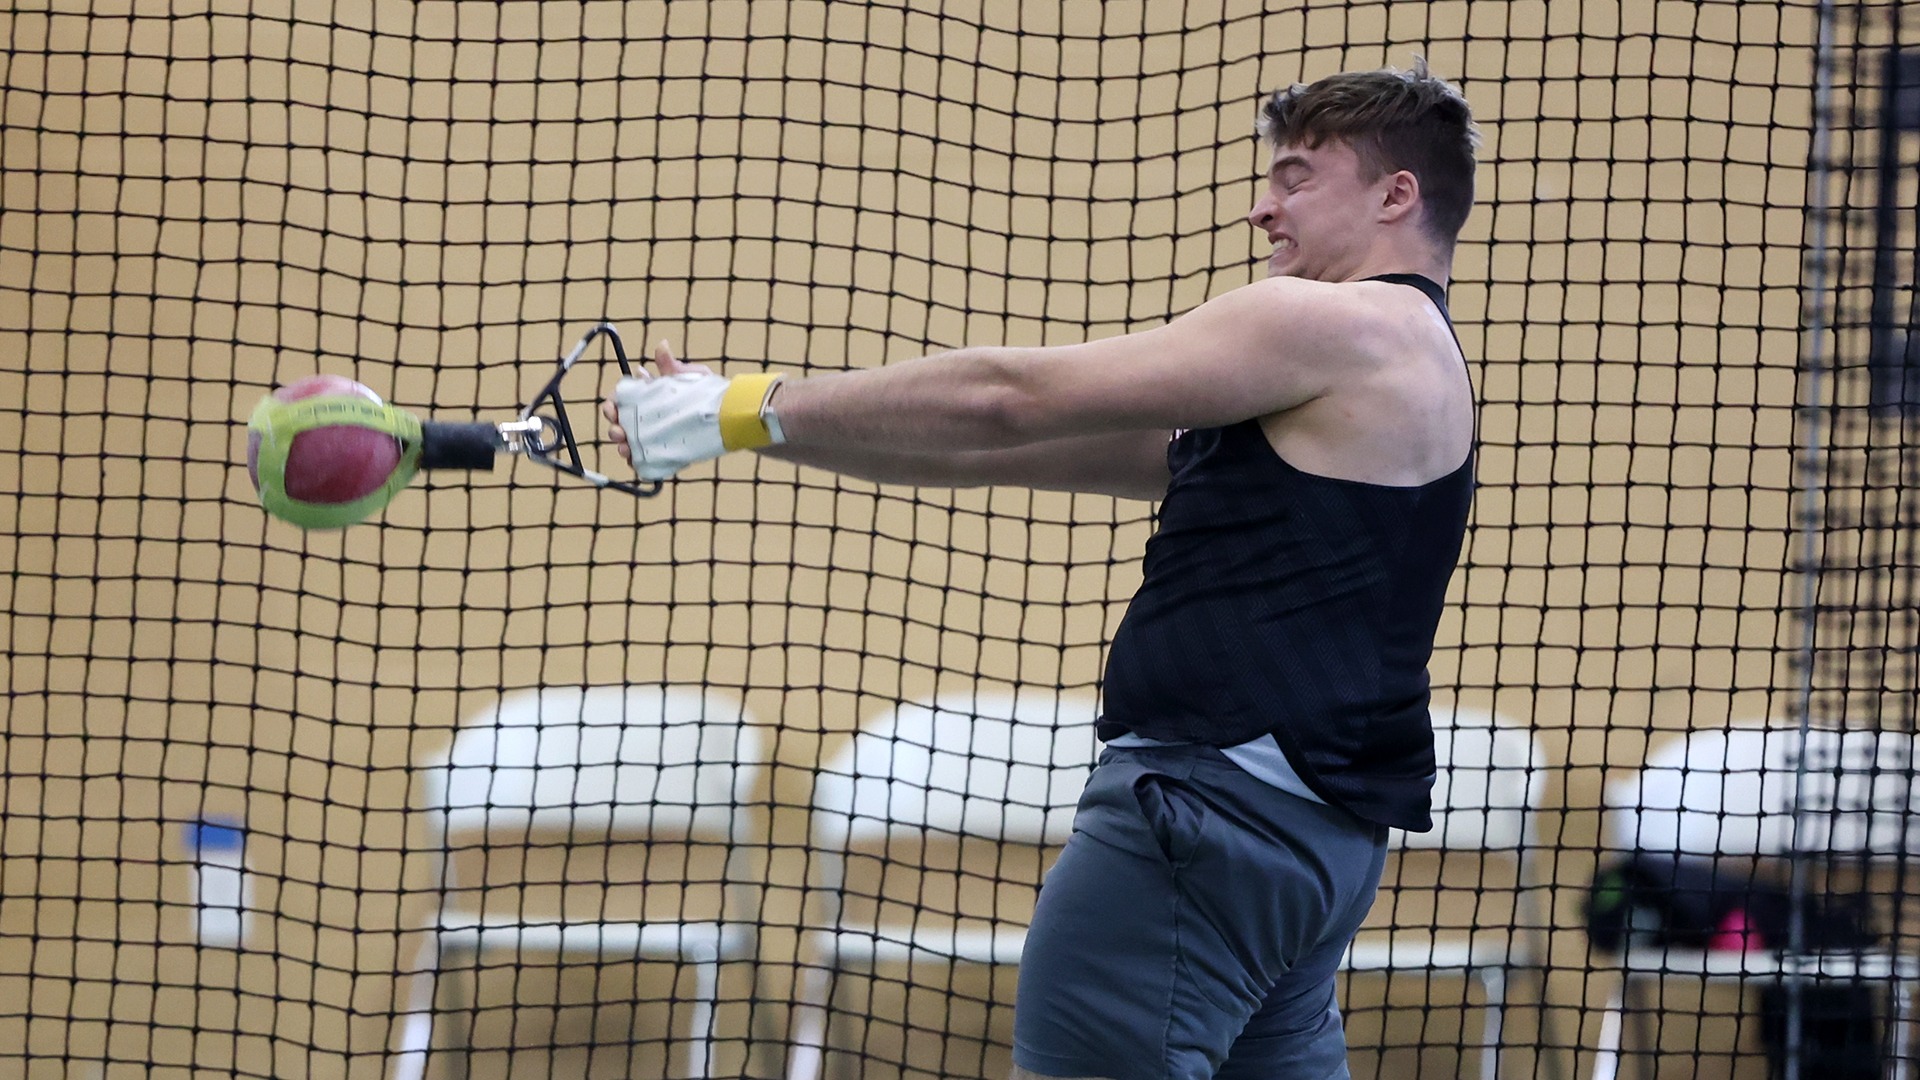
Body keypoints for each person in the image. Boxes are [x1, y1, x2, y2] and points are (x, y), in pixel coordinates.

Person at [604, 60, 1480, 1080]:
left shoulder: (1334, 322)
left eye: (1294, 177)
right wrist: (739, 427)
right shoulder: (1399, 368)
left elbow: (1007, 396)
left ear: (1395, 194)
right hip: (1308, 850)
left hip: (1208, 824)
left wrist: (749, 400)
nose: (1262, 207)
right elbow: (994, 453)